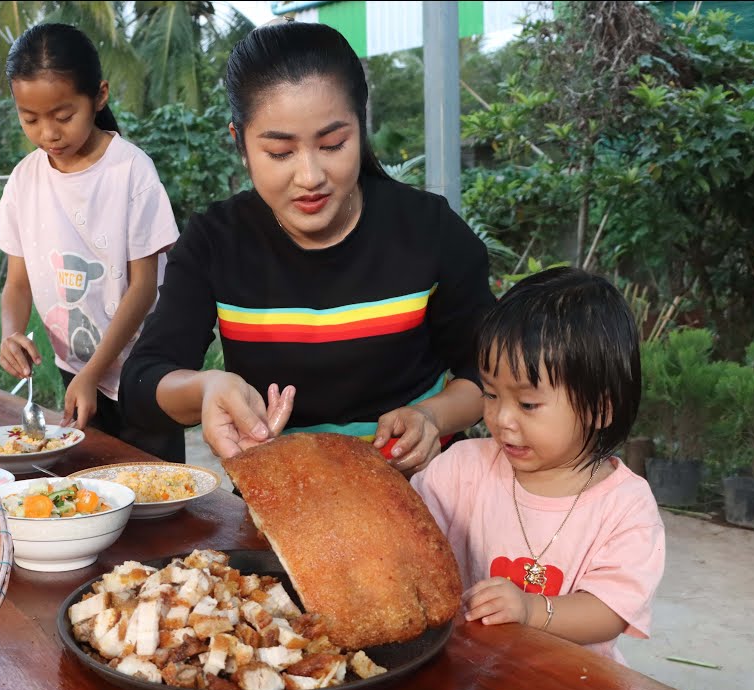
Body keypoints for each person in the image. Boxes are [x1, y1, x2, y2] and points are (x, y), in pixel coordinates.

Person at [119, 20, 495, 475]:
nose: (310, 176)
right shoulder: (216, 241)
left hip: (421, 489)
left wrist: (432, 417)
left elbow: (490, 374)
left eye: (333, 144)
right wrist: (206, 389)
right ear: (241, 144)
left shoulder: (428, 230)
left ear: (361, 126)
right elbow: (142, 382)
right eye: (280, 153)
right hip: (281, 495)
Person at [410, 266, 666, 664]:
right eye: (491, 395)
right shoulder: (461, 469)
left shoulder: (625, 506)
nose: (502, 419)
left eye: (527, 404)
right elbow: (407, 534)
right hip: (468, 671)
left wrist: (531, 610)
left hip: (571, 684)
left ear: (600, 409)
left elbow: (611, 611)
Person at [0, 23, 184, 462]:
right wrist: (11, 333)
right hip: (74, 368)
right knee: (89, 477)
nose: (48, 134)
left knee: (156, 480)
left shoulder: (130, 171)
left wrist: (94, 373)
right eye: (30, 119)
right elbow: (17, 283)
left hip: (144, 368)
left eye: (63, 117)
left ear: (99, 96)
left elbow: (144, 287)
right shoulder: (24, 179)